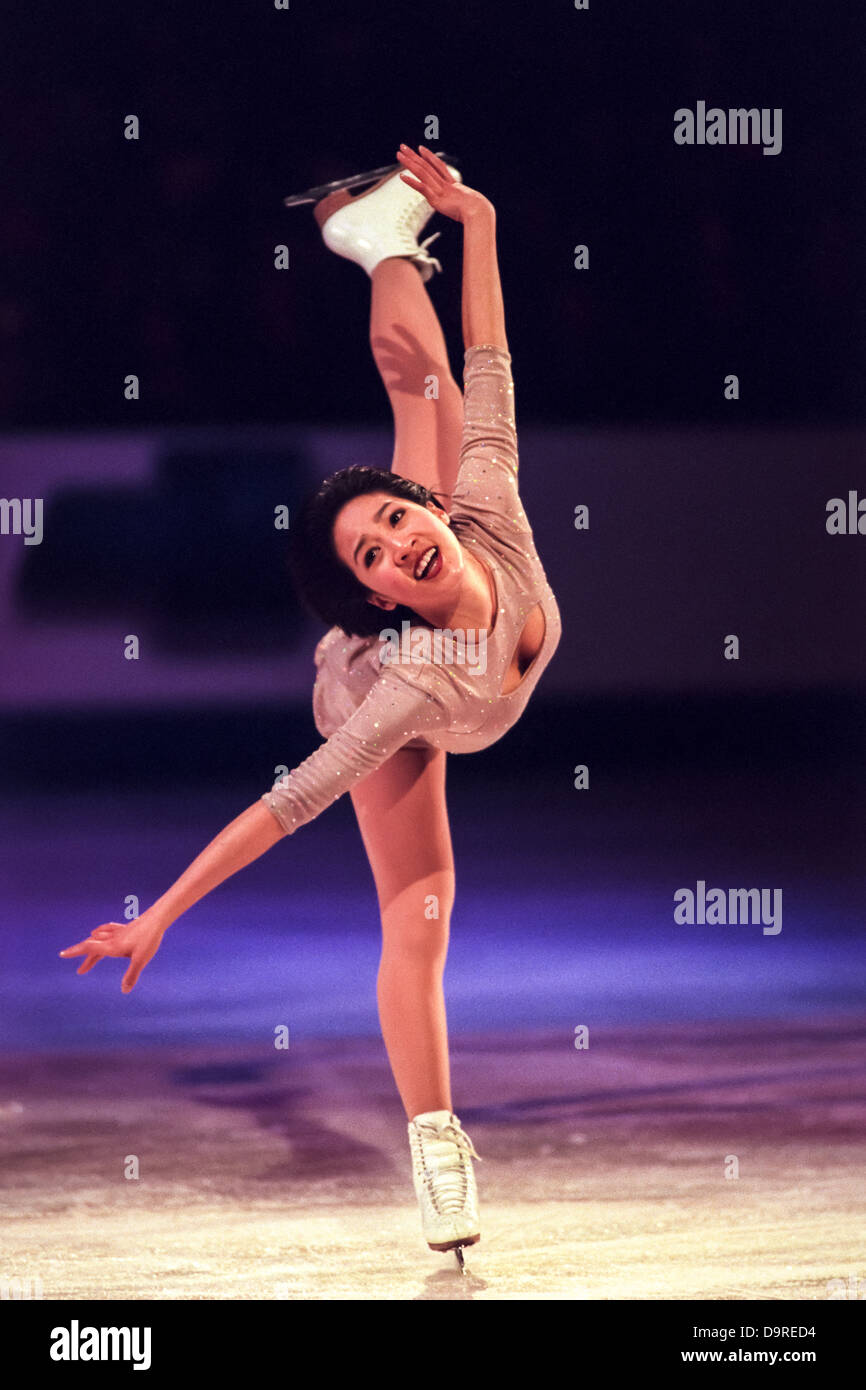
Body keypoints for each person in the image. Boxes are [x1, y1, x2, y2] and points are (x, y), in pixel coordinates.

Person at [59, 145, 562, 1270]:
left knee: (424, 387)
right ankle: (436, 1142)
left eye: (392, 519)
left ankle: (377, 239)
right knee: (418, 915)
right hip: (372, 686)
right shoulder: (400, 685)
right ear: (376, 592)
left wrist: (474, 223)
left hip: (440, 628)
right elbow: (286, 804)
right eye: (374, 554)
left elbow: (486, 353)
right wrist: (161, 913)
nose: (397, 540)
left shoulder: (482, 496)